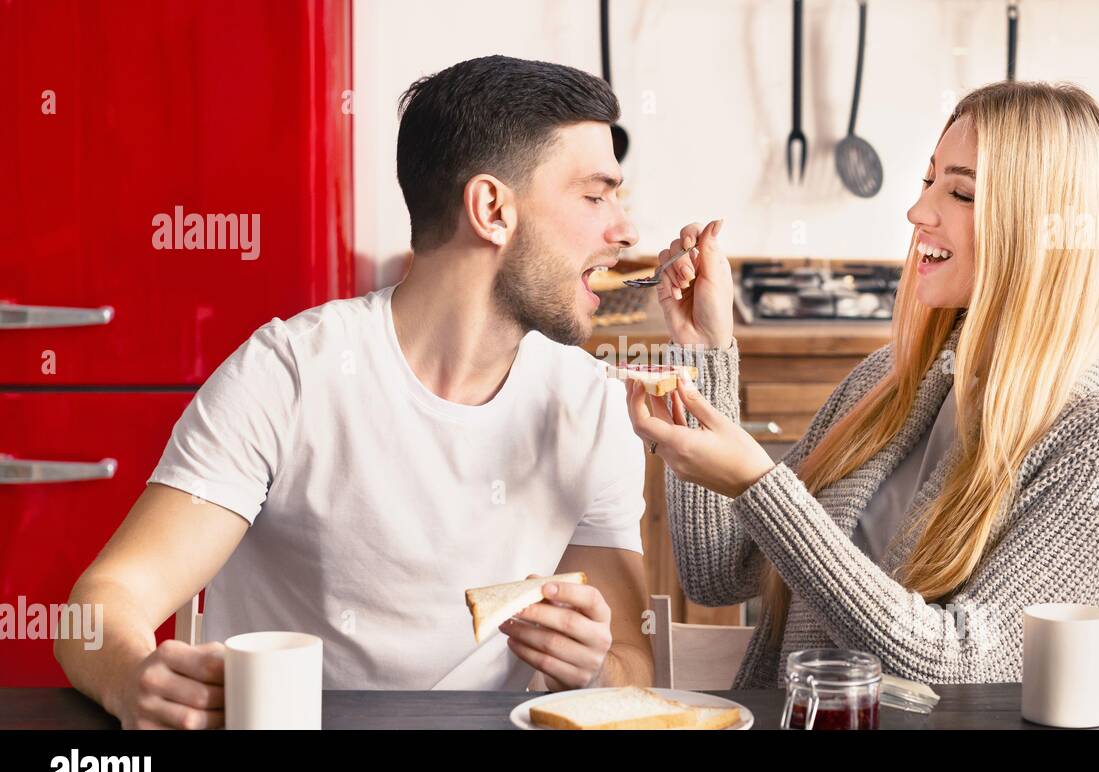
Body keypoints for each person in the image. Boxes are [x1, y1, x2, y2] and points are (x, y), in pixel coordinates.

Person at [56, 55, 653, 728]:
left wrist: (593, 667)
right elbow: (102, 603)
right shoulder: (289, 375)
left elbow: (632, 662)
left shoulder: (591, 405)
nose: (625, 231)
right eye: (596, 195)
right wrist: (135, 678)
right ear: (491, 209)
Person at [626, 81, 1099, 687]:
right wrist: (704, 350)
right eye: (929, 181)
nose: (918, 213)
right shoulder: (892, 380)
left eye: (962, 192)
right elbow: (718, 573)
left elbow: (965, 664)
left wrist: (760, 483)